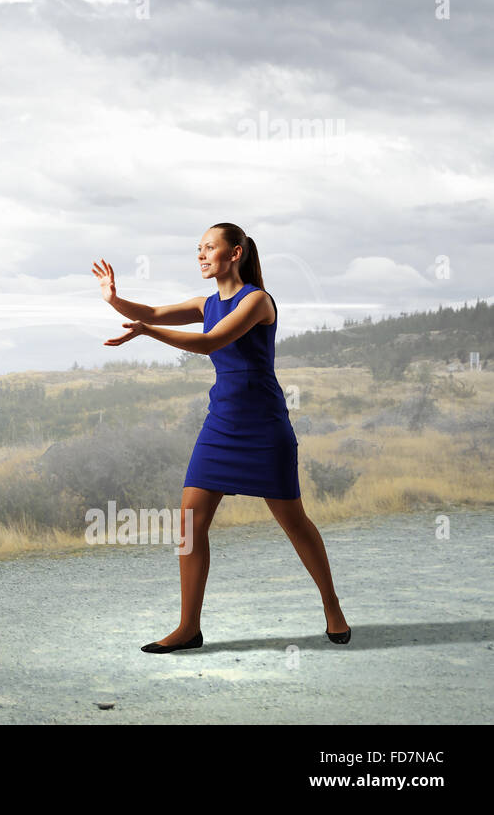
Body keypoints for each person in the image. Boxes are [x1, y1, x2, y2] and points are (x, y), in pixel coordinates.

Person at [94, 223, 350, 652]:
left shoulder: (257, 301)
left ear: (235, 253)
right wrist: (114, 298)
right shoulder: (205, 302)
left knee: (294, 524)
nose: (200, 255)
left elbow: (211, 342)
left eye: (209, 248)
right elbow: (154, 313)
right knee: (190, 524)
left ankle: (332, 606)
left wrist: (145, 331)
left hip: (265, 426)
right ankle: (188, 628)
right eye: (198, 249)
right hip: (221, 425)